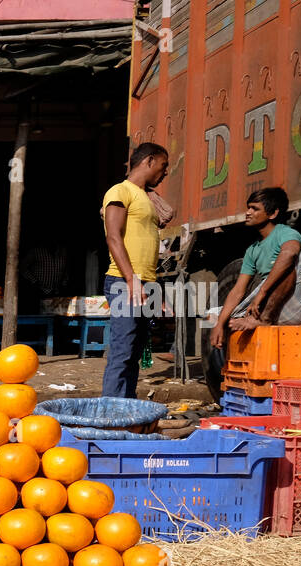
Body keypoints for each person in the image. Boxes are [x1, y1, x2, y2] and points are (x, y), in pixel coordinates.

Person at [207, 187, 301, 393]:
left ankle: (263, 320)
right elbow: (238, 290)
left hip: (298, 308)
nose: (248, 212)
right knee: (216, 315)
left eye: (254, 208)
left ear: (273, 213)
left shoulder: (286, 233)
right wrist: (219, 324)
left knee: (293, 259)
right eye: (248, 208)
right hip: (273, 308)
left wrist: (260, 294)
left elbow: (289, 255)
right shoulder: (252, 250)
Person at [100, 141, 170, 398]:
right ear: (148, 161)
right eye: (163, 166)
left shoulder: (147, 197)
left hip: (145, 283)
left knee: (134, 352)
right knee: (123, 350)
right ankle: (111, 415)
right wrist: (132, 280)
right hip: (124, 281)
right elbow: (113, 237)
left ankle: (126, 410)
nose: (164, 172)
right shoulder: (120, 191)